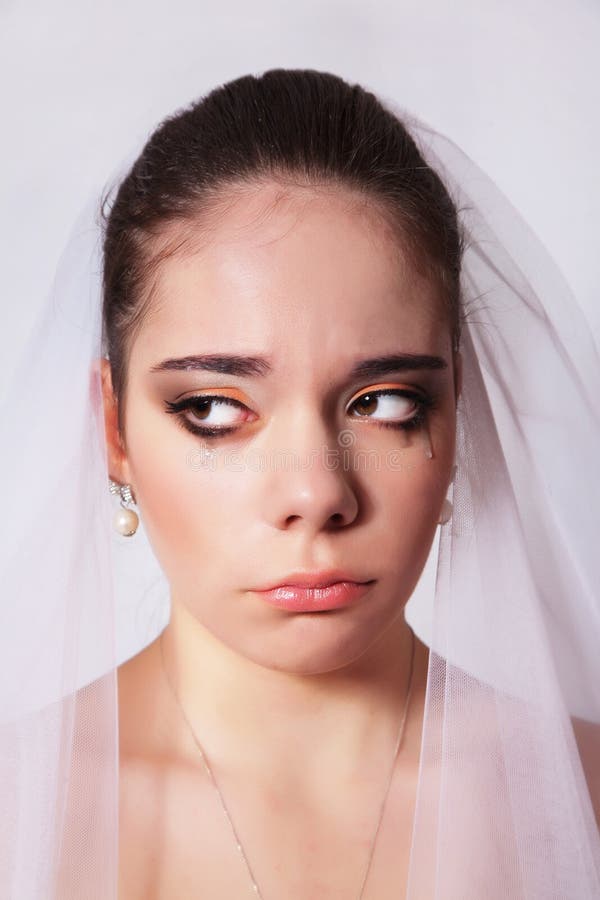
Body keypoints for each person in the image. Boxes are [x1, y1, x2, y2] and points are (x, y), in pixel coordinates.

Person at [1, 68, 599, 899]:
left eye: (385, 403)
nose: (318, 495)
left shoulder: (584, 802)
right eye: (214, 408)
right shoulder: (16, 818)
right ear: (114, 431)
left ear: (457, 412)